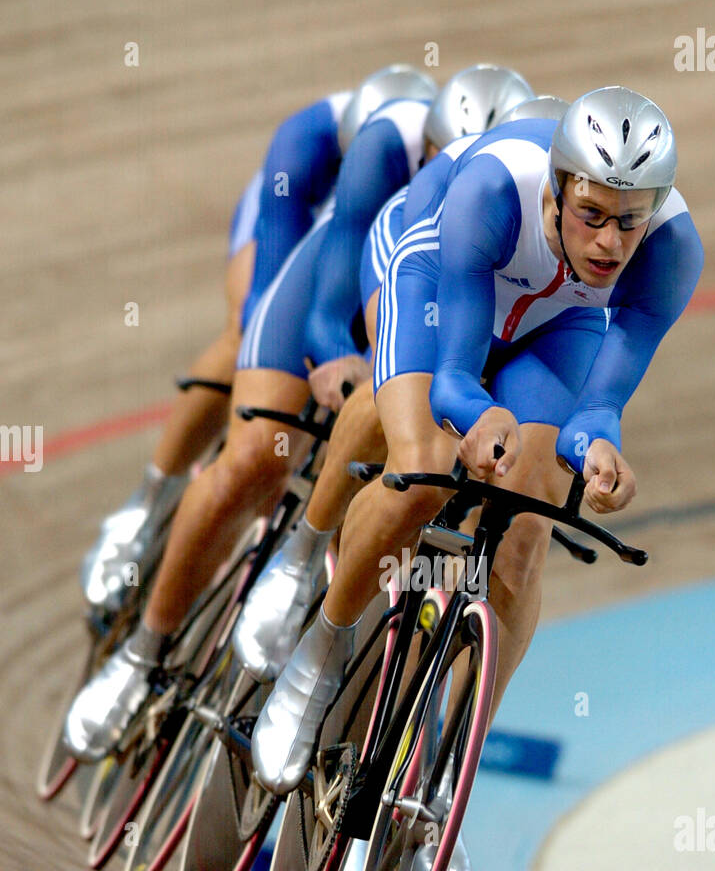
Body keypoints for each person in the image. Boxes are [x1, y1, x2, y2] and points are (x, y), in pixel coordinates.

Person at [250, 87, 705, 871]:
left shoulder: (672, 253)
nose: (609, 242)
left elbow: (597, 405)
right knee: (423, 469)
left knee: (526, 534)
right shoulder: (495, 190)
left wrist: (598, 449)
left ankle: (441, 789)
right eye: (593, 214)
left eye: (628, 222)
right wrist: (477, 415)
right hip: (430, 268)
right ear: (559, 188)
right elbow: (459, 378)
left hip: (553, 323)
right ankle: (319, 653)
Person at [63, 64, 438, 760]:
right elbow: (277, 276)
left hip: (381, 270)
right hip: (300, 234)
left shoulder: (453, 198)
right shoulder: (312, 141)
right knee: (249, 363)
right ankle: (150, 516)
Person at [232, 65, 538, 683]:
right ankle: (262, 551)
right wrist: (330, 359)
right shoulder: (382, 156)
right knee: (263, 443)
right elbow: (328, 308)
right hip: (361, 268)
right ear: (425, 151)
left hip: (450, 304)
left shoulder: (516, 217)